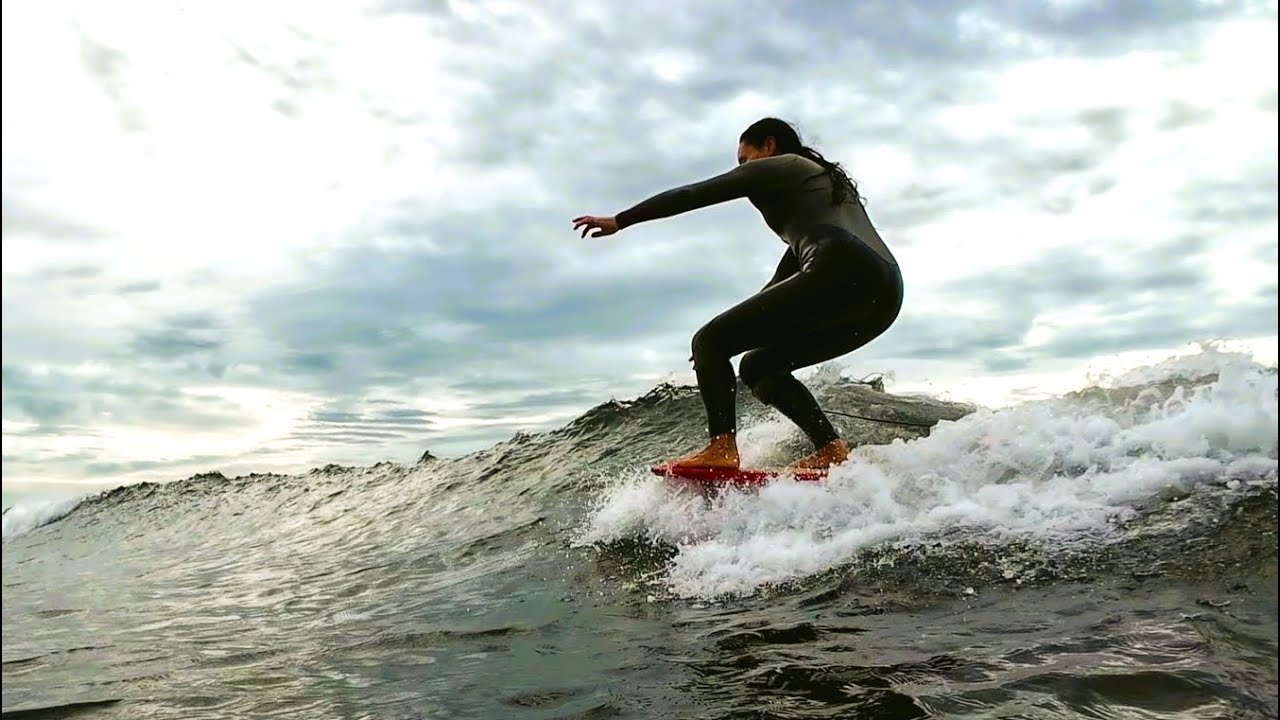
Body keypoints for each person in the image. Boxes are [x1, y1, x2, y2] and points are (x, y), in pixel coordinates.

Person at [572, 117, 903, 471]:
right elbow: (786, 276)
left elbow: (694, 194)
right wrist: (735, 332)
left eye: (744, 160)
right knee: (759, 366)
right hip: (883, 295)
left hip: (841, 265)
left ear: (769, 146)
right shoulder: (820, 192)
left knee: (708, 340)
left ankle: (722, 449)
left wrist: (621, 220)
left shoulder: (783, 165)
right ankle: (832, 449)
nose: (741, 169)